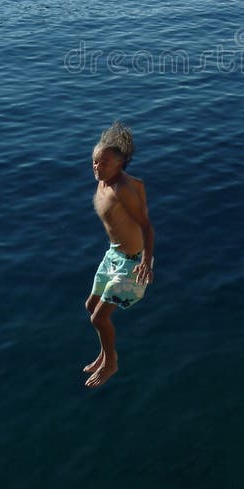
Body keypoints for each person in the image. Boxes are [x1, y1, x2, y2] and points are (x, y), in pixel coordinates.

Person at [83, 122, 155, 387]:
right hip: (114, 255)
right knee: (91, 306)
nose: (96, 167)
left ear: (119, 164)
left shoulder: (123, 189)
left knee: (99, 317)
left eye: (103, 164)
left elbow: (146, 226)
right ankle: (104, 354)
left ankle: (111, 362)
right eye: (94, 161)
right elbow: (140, 186)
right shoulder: (106, 183)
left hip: (133, 263)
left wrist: (147, 261)